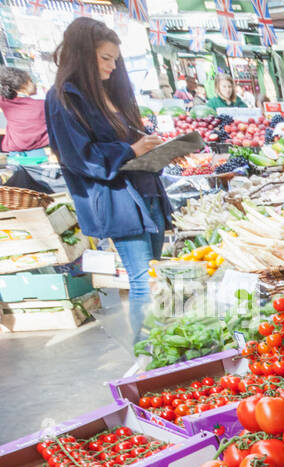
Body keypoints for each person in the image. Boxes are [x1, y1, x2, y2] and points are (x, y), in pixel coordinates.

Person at [45, 17, 170, 336]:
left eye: (115, 58)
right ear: (83, 56)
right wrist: (132, 150)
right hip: (117, 201)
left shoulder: (113, 92)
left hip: (147, 192)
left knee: (154, 278)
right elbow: (79, 158)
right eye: (105, 58)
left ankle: (163, 352)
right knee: (143, 279)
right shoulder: (64, 99)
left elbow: (133, 142)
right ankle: (149, 357)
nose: (113, 66)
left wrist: (157, 150)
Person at [0, 67, 50, 164]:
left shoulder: (6, 102)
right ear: (23, 86)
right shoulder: (44, 105)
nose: (34, 84)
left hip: (14, 149)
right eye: (31, 80)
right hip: (44, 148)